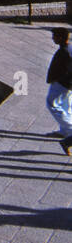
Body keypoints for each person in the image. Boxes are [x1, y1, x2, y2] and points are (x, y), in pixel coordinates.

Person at [45, 27, 72, 156]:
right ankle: (64, 130)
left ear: (61, 37)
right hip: (63, 83)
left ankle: (69, 131)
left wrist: (59, 80)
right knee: (65, 106)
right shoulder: (66, 49)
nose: (53, 39)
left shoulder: (66, 51)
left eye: (55, 36)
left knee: (52, 104)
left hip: (62, 84)